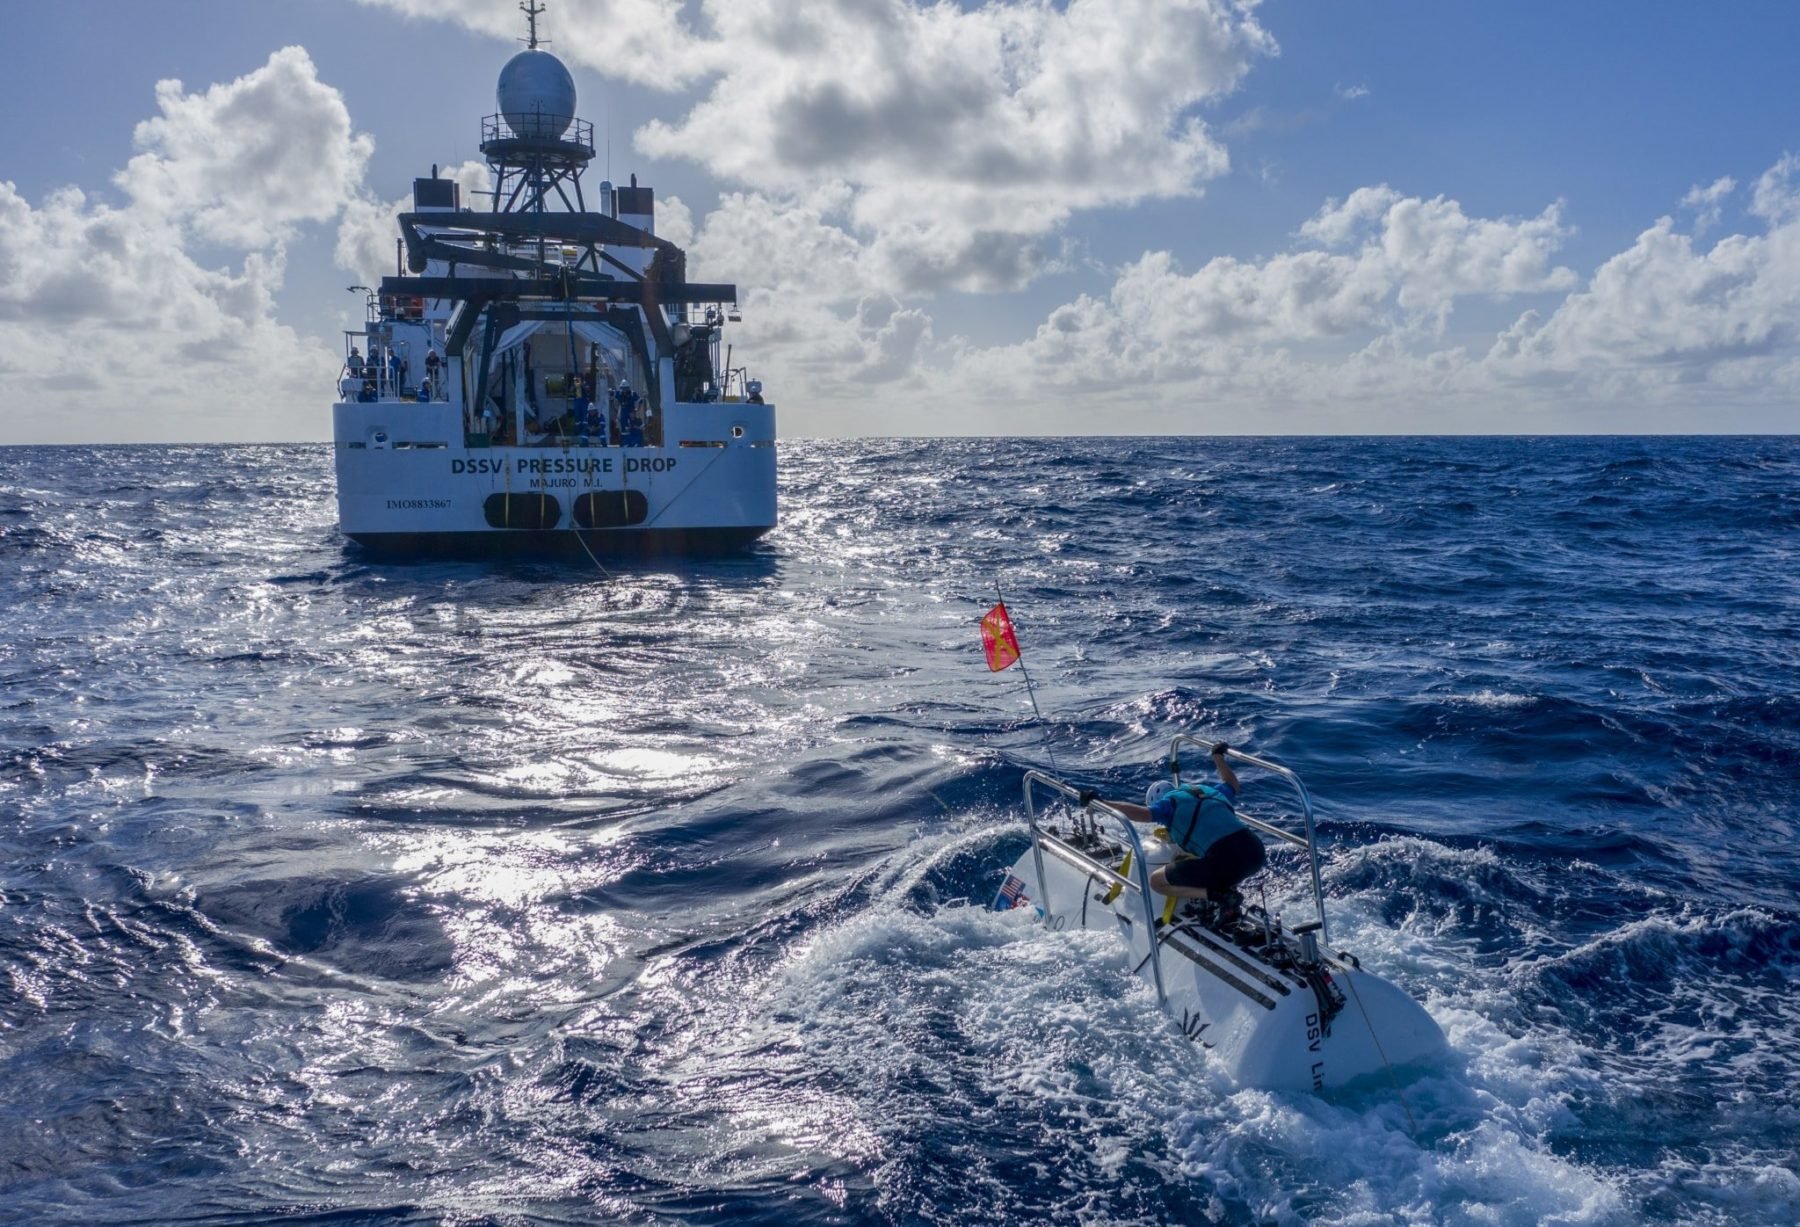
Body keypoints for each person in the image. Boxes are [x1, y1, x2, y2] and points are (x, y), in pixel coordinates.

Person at [1099, 743, 1265, 922]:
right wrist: (1218, 756)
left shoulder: (1168, 805)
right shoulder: (1208, 792)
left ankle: (1221, 897)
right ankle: (1228, 902)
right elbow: (1232, 784)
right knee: (1223, 862)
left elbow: (1141, 813)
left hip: (1224, 860)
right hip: (1255, 851)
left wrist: (1101, 803)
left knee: (1156, 881)